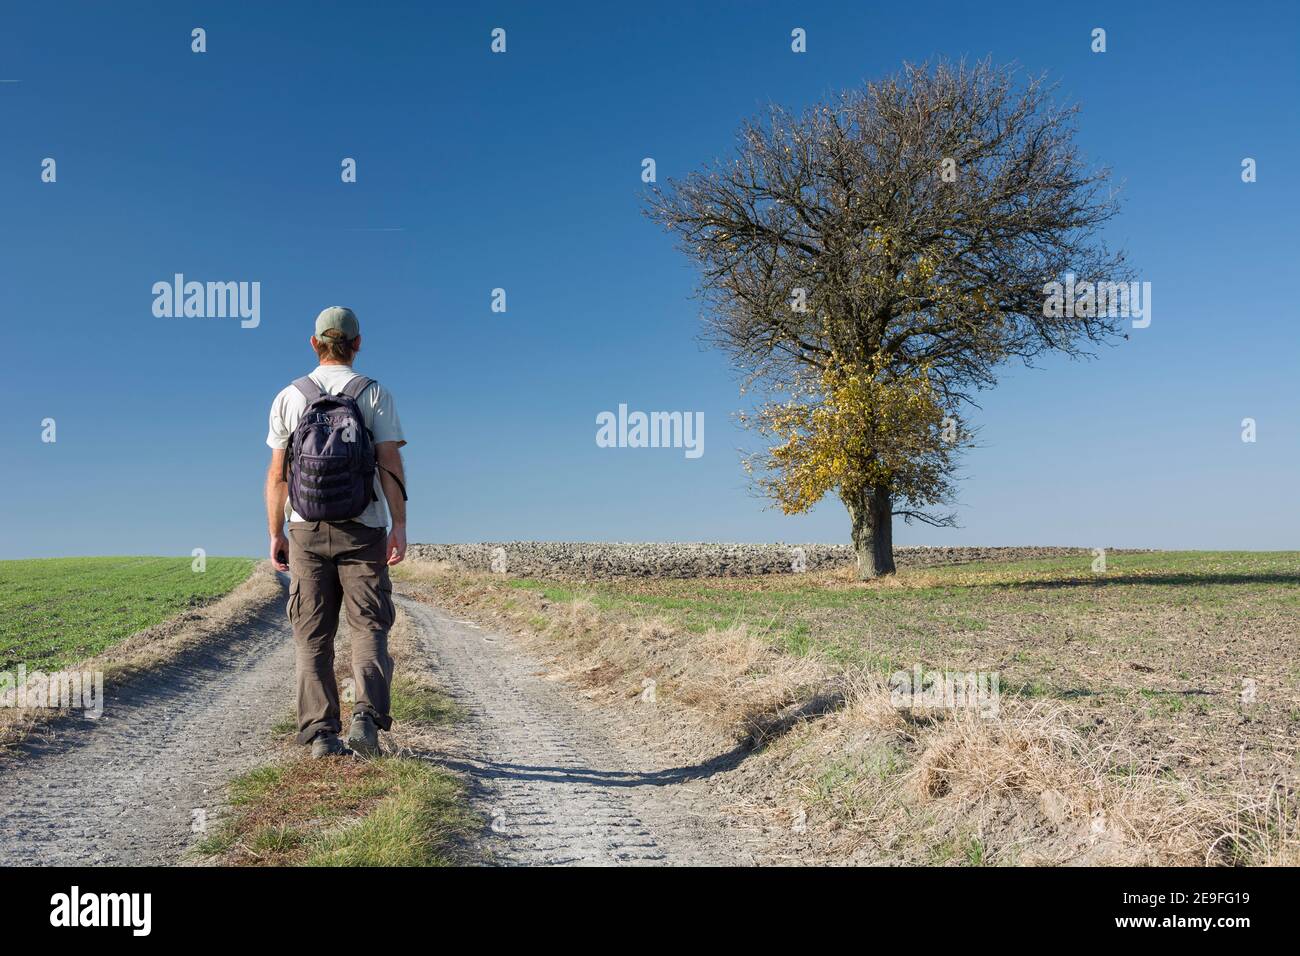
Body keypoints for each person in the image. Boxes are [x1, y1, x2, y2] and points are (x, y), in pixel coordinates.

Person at [264, 306, 408, 758]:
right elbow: (389, 463)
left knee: (311, 634)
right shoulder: (373, 393)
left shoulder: (290, 396)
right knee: (368, 627)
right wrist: (399, 524)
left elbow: (276, 476)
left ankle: (321, 734)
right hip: (363, 526)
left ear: (314, 344)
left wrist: (276, 533)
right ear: (357, 344)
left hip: (305, 528)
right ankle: (365, 718)